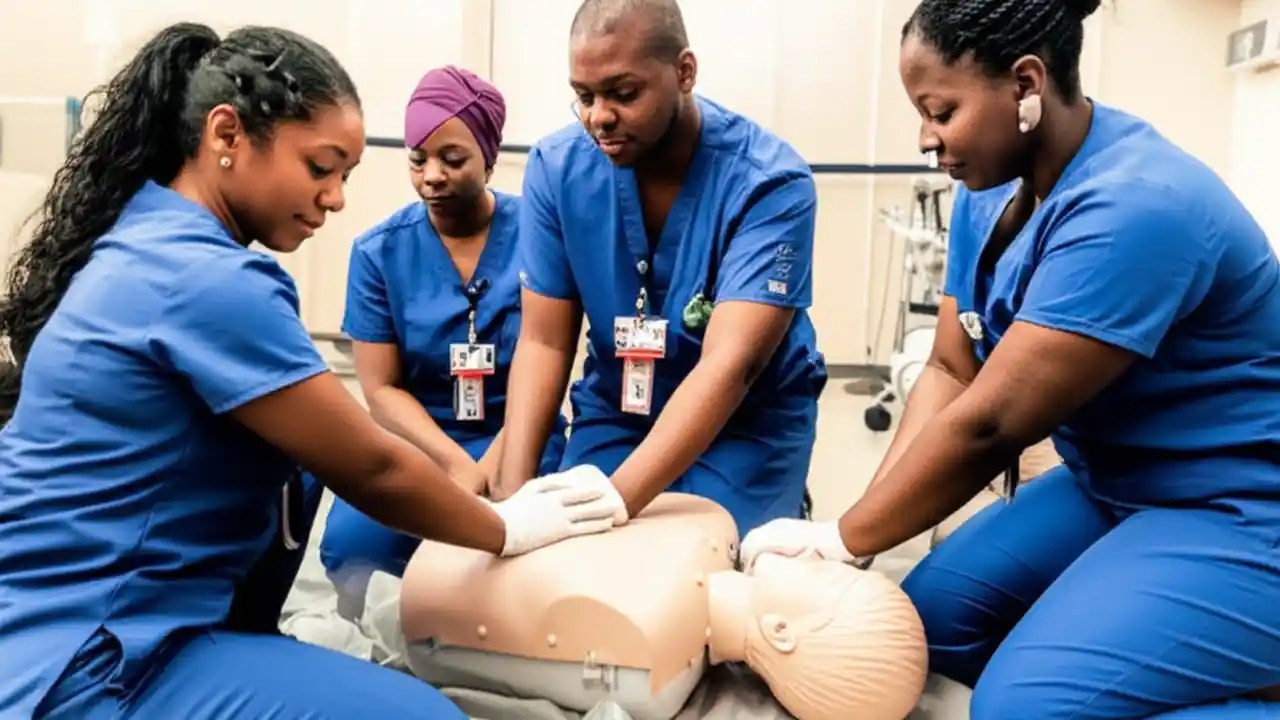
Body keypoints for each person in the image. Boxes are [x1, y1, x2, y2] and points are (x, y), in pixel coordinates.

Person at [0, 23, 621, 719]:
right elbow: (372, 464)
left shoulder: (148, 237)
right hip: (94, 654)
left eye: (346, 175)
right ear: (226, 134)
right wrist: (507, 527)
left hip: (67, 615)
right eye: (320, 168)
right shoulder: (211, 279)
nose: (336, 197)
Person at [739, 0, 1280, 717]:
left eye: (941, 112)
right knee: (922, 631)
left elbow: (992, 425)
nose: (926, 138)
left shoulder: (1137, 205)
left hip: (1240, 506)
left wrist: (842, 535)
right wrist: (863, 534)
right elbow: (950, 368)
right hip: (1113, 480)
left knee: (1021, 707)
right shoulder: (990, 190)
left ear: (1025, 84)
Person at [494, 0, 828, 539]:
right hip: (620, 408)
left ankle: (783, 501)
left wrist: (615, 501)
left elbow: (732, 364)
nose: (599, 117)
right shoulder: (557, 169)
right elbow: (544, 342)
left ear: (684, 72)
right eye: (584, 96)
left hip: (746, 421)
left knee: (706, 563)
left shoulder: (770, 182)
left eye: (624, 93)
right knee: (570, 560)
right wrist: (510, 504)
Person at [316, 65, 570, 619]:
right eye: (418, 159)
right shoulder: (378, 253)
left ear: (489, 156)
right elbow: (381, 390)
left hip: (520, 431)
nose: (432, 175)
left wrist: (493, 466)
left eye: (452, 159)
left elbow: (549, 356)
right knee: (353, 550)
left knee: (524, 554)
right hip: (420, 444)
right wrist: (456, 467)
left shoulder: (540, 236)